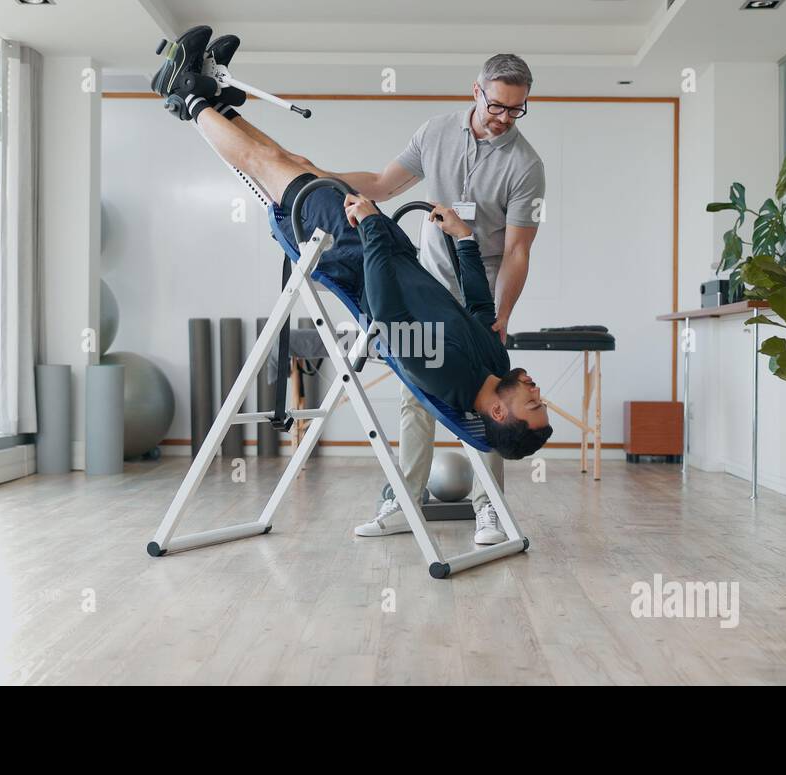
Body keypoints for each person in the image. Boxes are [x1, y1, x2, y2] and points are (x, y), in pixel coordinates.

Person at [155, 28, 552, 545]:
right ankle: (212, 99)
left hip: (371, 257)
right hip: (408, 262)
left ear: (501, 411)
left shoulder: (526, 166)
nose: (504, 117)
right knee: (291, 165)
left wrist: (368, 228)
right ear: (476, 91)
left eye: (515, 110)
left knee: (272, 169)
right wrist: (329, 181)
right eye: (499, 105)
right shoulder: (490, 365)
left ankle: (187, 98)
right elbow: (385, 186)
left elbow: (514, 254)